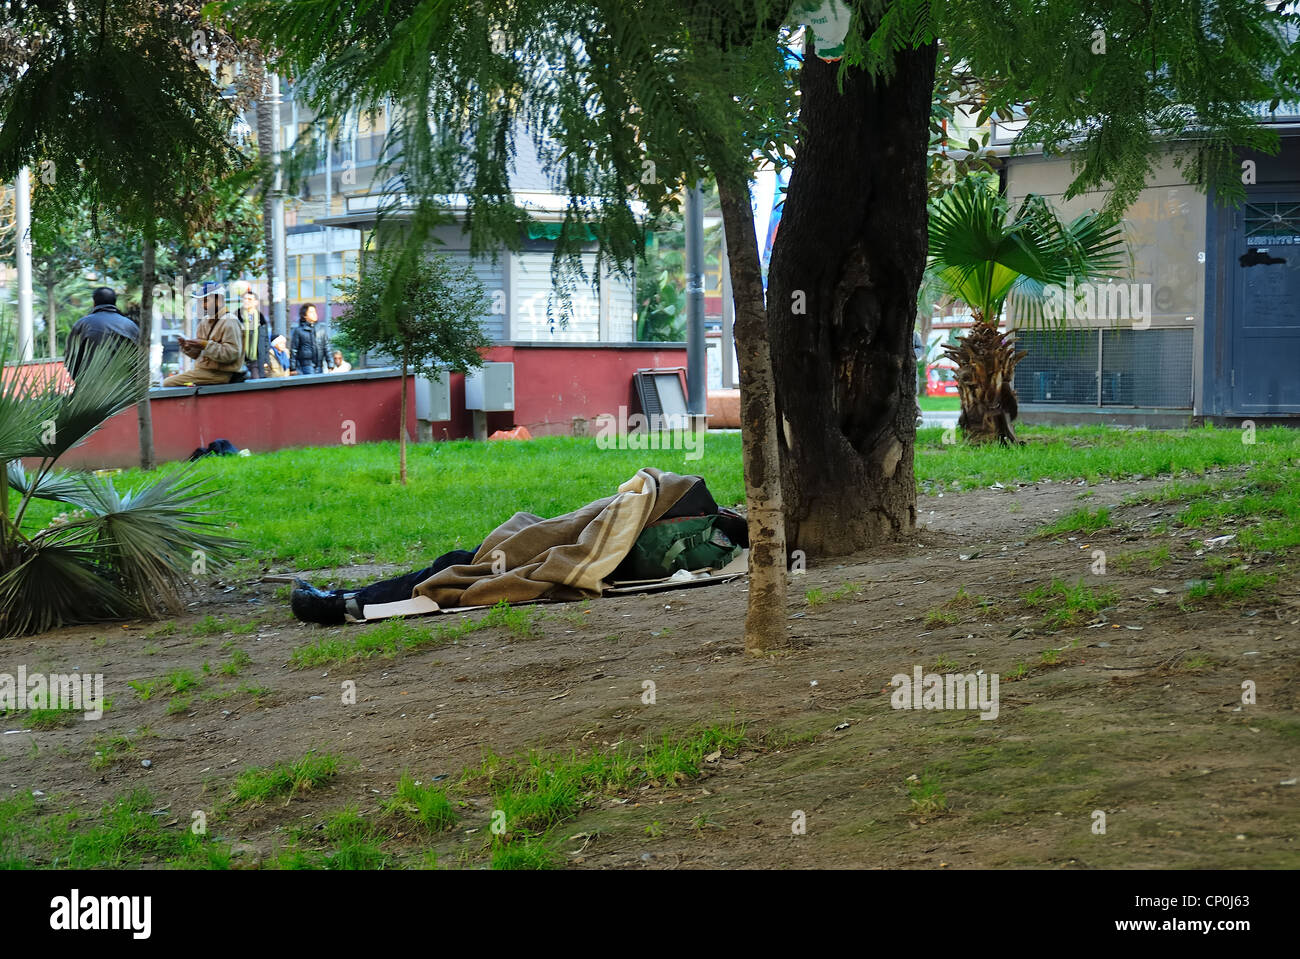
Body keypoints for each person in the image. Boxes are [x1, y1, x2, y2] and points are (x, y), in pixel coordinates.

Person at [162, 288, 244, 387]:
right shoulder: (205, 321)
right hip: (204, 371)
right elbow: (198, 355)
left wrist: (205, 345)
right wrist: (188, 347)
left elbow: (232, 353)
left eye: (206, 301)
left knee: (168, 383)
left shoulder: (230, 321)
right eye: (200, 301)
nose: (203, 305)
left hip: (221, 374)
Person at [65, 287, 141, 379]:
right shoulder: (130, 326)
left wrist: (80, 381)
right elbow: (138, 359)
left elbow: (71, 357)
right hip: (123, 387)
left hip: (90, 385)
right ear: (114, 302)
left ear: (94, 302)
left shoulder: (83, 324)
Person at [289, 303, 332, 375]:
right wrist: (292, 367)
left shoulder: (321, 329)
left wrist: (330, 364)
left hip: (320, 365)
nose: (314, 314)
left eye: (315, 312)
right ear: (304, 315)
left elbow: (327, 347)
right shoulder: (299, 331)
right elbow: (294, 350)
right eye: (311, 312)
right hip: (305, 366)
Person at [237, 289, 270, 379]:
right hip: (240, 360)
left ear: (256, 302)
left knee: (257, 382)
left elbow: (266, 341)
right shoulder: (236, 317)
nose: (246, 301)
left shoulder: (261, 319)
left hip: (256, 360)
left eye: (250, 299)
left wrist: (266, 360)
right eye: (245, 299)